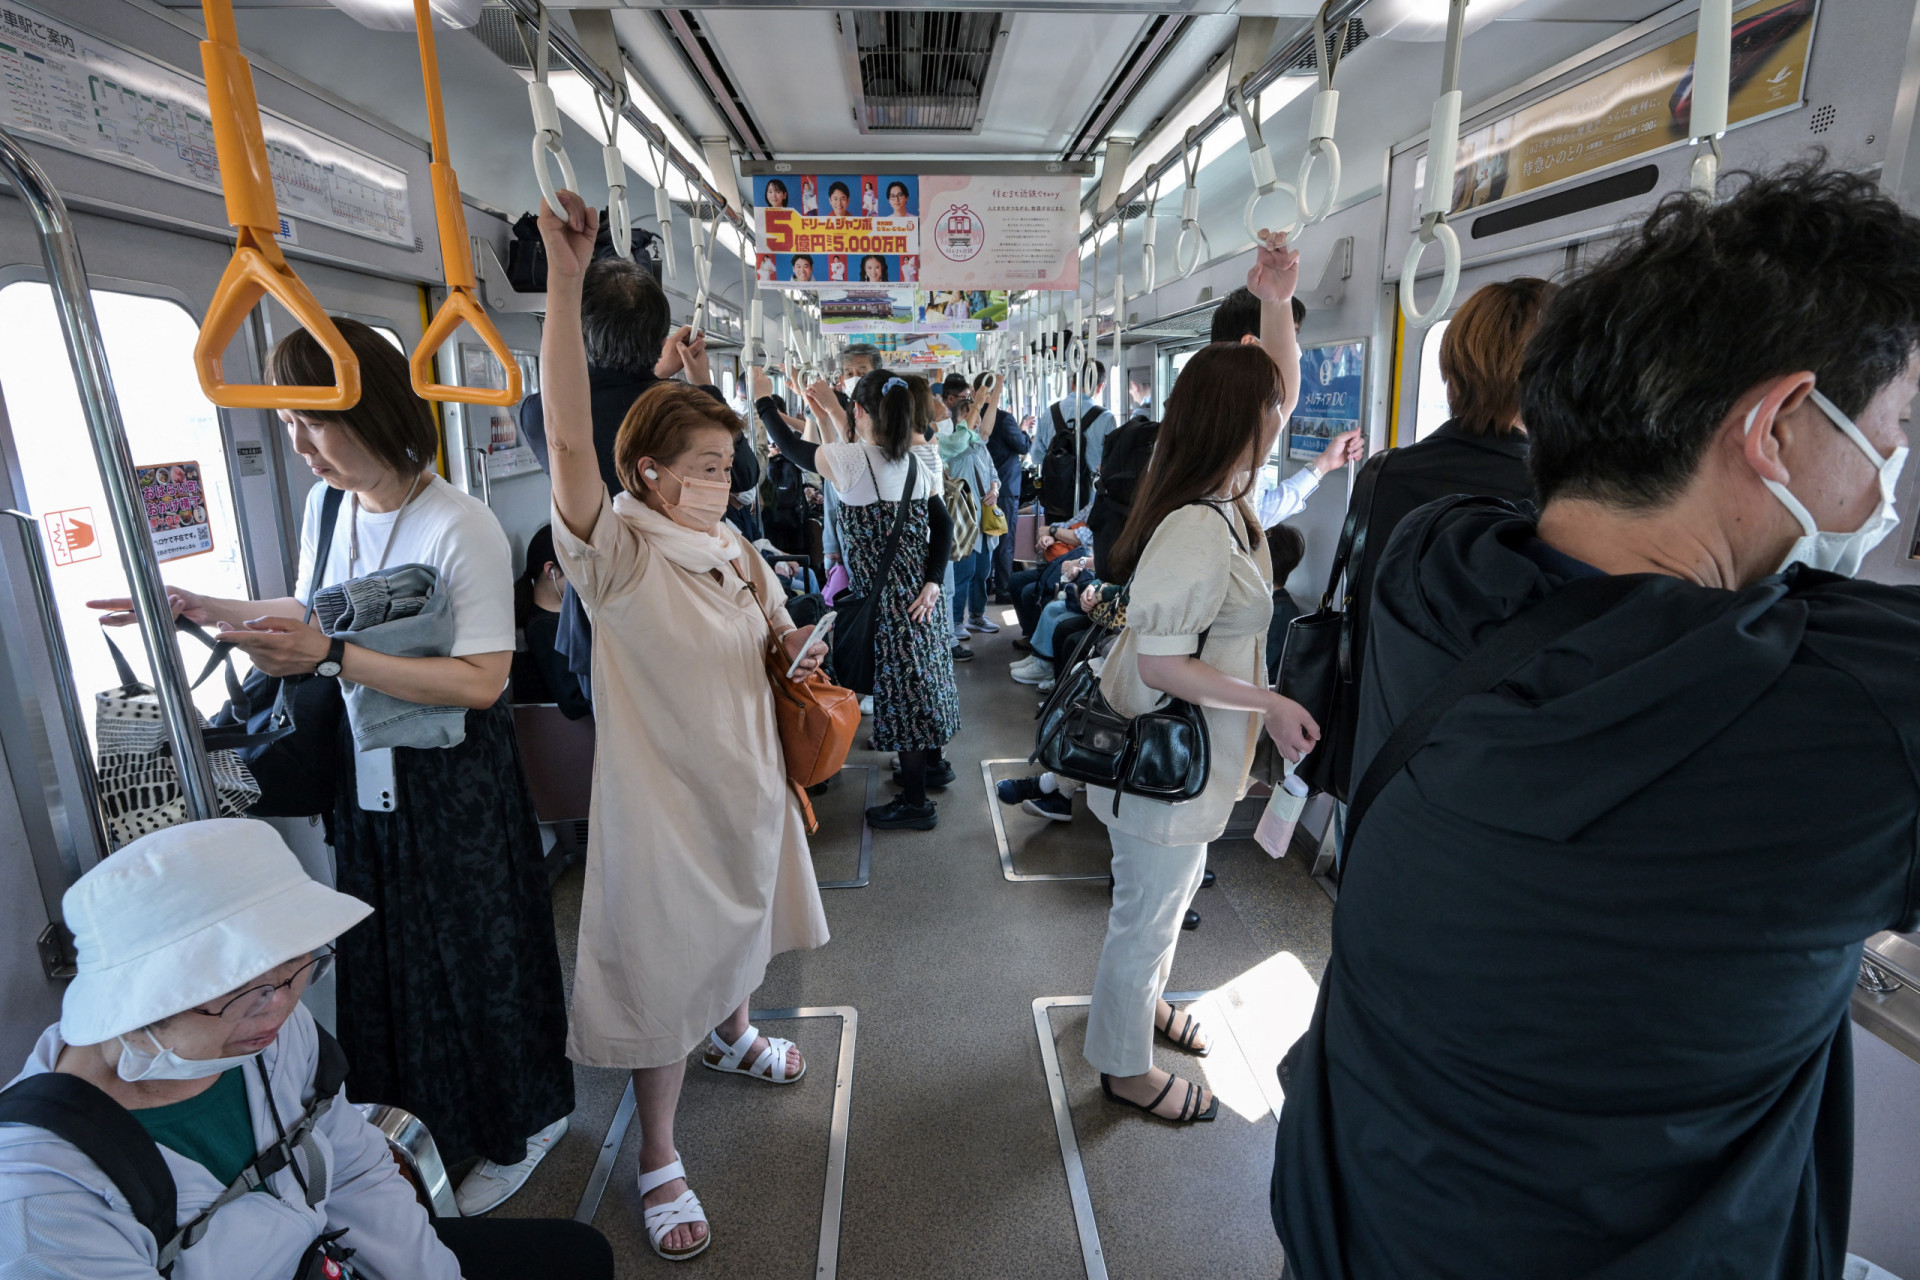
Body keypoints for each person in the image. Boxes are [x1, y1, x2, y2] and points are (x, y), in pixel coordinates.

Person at [1272, 162, 1920, 1280]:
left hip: (1357, 1226)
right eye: (1895, 428)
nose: (1893, 483)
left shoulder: (1430, 568)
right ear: (1771, 426)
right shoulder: (1852, 715)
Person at [91, 319, 575, 1211]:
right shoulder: (333, 508)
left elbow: (482, 680)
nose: (303, 447)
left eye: (316, 423)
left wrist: (331, 660)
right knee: (392, 963)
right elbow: (317, 609)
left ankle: (528, 1117)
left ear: (374, 408)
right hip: (369, 778)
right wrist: (202, 604)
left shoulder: (456, 523)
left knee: (479, 957)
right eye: (288, 426)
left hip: (453, 788)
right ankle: (427, 1125)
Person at [537, 191, 832, 1262]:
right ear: (647, 472)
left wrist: (795, 648)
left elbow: (775, 632)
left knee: (743, 928)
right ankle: (658, 1148)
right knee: (663, 967)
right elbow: (569, 435)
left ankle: (739, 1029)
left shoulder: (738, 550)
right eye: (700, 468)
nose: (719, 483)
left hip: (746, 778)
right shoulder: (614, 555)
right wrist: (566, 286)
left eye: (724, 467)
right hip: (660, 800)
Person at [0, 819, 613, 1280]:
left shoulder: (259, 1027)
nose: (283, 1007)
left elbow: (354, 1165)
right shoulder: (45, 1208)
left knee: (579, 1256)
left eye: (300, 971)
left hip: (325, 1250)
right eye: (249, 992)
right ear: (131, 1006)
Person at [1085, 233, 1318, 1123]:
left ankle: (1140, 1010)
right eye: (1267, 411)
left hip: (1194, 768)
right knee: (1144, 920)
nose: (1282, 417)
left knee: (1162, 909)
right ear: (1239, 426)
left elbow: (1281, 393)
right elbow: (1158, 663)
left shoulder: (1227, 493)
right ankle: (1123, 1065)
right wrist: (1270, 700)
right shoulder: (1196, 526)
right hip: (1168, 772)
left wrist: (1274, 303)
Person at [1322, 277, 1553, 797]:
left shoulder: (1385, 474)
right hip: (1495, 776)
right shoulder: (1562, 496)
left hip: (1378, 751)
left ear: (1452, 372)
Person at [761, 365, 960, 830]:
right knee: (925, 685)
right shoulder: (919, 460)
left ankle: (916, 804)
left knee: (905, 699)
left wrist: (764, 402)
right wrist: (933, 581)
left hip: (888, 604)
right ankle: (933, 765)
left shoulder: (851, 463)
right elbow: (944, 527)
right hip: (922, 598)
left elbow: (790, 447)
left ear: (861, 412)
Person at [518, 257, 760, 502]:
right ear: (661, 341)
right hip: (675, 540)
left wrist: (657, 375)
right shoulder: (687, 406)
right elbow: (745, 475)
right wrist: (704, 387)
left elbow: (619, 401)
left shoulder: (539, 412)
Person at [1208, 288, 1365, 530]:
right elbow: (1249, 522)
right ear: (1250, 344)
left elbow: (1253, 514)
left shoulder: (1221, 409)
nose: (1296, 351)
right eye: (1289, 338)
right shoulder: (1230, 424)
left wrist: (1322, 464)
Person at [941, 373, 1001, 644]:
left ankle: (977, 614)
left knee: (982, 572)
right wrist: (980, 402)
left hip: (984, 517)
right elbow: (978, 430)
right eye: (969, 416)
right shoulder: (955, 445)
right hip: (963, 520)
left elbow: (993, 474)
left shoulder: (979, 446)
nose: (975, 421)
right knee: (963, 573)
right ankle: (955, 620)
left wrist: (994, 490)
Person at [512, 523, 590, 719]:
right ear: (551, 570)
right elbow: (573, 702)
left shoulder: (564, 618)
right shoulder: (543, 629)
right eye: (577, 566)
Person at [977, 370, 1033, 600]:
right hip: (1005, 487)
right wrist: (1024, 431)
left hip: (981, 485)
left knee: (984, 538)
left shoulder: (971, 418)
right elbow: (1022, 446)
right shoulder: (1003, 418)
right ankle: (1003, 587)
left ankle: (985, 585)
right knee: (1003, 538)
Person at [1033, 361, 1113, 521]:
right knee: (1081, 542)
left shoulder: (1049, 413)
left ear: (1072, 383)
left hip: (1055, 499)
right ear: (1100, 386)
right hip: (1089, 502)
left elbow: (1037, 456)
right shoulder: (1106, 418)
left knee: (1053, 542)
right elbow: (1111, 462)